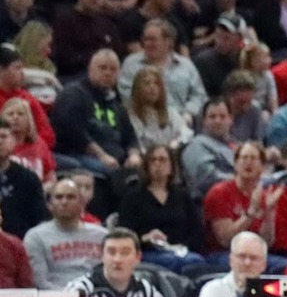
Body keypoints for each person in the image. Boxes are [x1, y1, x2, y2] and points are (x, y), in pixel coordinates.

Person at [53, 48, 138, 181]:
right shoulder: (73, 94)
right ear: (90, 69)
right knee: (112, 172)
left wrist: (134, 155)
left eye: (113, 69)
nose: (108, 73)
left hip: (116, 157)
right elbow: (76, 134)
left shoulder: (116, 102)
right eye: (103, 68)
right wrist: (102, 155)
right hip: (80, 155)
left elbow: (131, 137)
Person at [118, 144, 205, 272]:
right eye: (153, 160)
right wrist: (145, 238)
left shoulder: (182, 196)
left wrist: (182, 246)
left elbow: (197, 231)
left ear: (171, 166)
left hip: (181, 251)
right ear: (146, 165)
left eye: (163, 159)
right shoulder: (133, 197)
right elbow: (125, 233)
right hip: (148, 252)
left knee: (196, 262)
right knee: (180, 262)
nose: (158, 164)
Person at [24, 176, 108, 289]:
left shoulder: (102, 235)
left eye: (70, 197)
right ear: (49, 205)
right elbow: (39, 281)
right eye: (59, 197)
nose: (64, 202)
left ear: (82, 203)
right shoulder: (35, 237)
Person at [68, 227, 165, 297]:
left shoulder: (146, 291)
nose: (117, 259)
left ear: (137, 257)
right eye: (111, 252)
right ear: (102, 256)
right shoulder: (81, 289)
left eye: (125, 253)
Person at [0, 123, 46, 236]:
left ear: (14, 141)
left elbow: (39, 217)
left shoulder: (28, 178)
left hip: (21, 243)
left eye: (3, 136)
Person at [199, 228, 267, 297]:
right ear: (231, 260)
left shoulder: (274, 293)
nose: (247, 263)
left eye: (253, 258)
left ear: (264, 264)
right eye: (242, 256)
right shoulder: (213, 290)